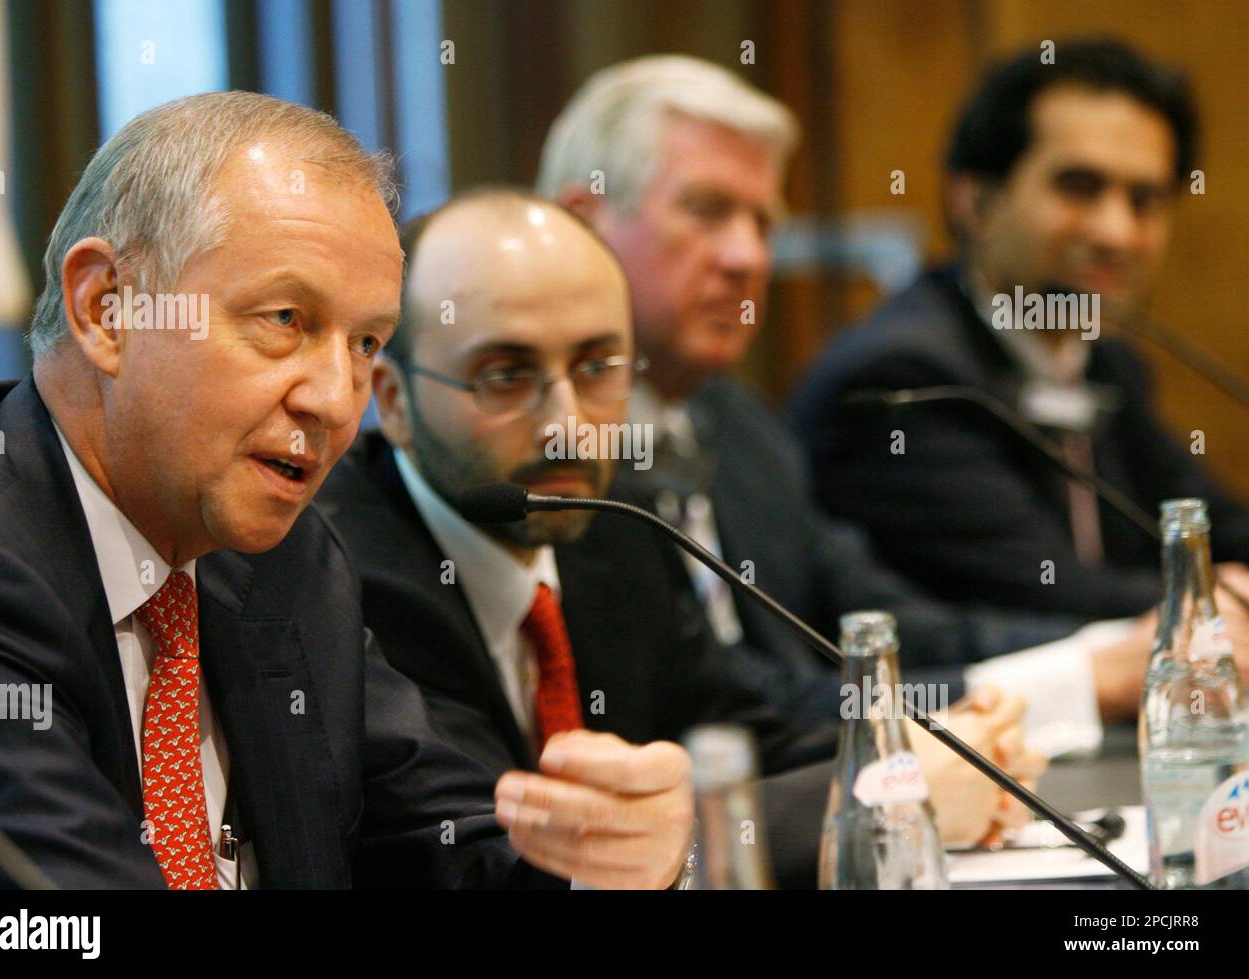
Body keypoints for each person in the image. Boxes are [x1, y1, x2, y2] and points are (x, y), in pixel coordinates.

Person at [0, 92, 691, 890]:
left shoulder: (288, 561)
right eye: (284, 319)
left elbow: (448, 844)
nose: (338, 401)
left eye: (366, 342)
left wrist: (611, 860)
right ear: (106, 308)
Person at [317, 188, 1047, 888]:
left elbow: (742, 732)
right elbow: (501, 859)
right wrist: (883, 794)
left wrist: (926, 740)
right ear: (393, 401)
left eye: (598, 367)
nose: (568, 424)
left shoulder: (615, 526)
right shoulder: (341, 579)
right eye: (505, 375)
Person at [537, 53, 1249, 756]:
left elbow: (887, 623)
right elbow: (743, 700)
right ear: (584, 219)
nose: (746, 256)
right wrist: (1087, 675)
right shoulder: (554, 455)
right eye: (708, 210)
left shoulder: (741, 426)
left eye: (762, 222)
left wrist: (1115, 654)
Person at [787, 38, 1249, 623]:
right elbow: (1055, 597)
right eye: (1080, 187)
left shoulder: (1108, 364)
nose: (1117, 232)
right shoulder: (899, 380)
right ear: (976, 203)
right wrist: (1226, 599)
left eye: (1144, 199)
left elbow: (1213, 529)